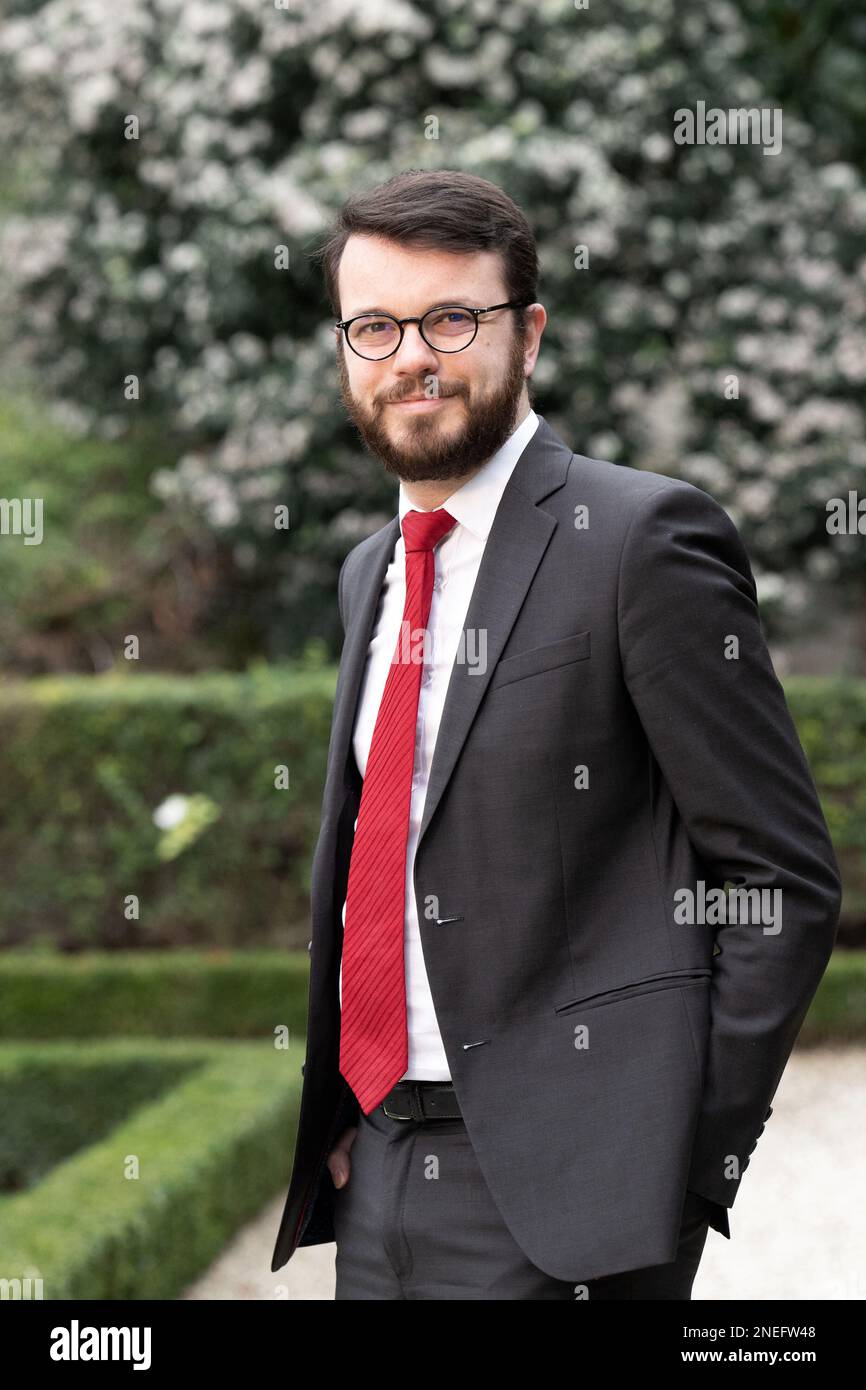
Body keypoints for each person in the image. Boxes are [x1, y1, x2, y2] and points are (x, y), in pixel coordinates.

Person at [270, 169, 842, 1299]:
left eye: (450, 318)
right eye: (374, 325)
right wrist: (346, 1122)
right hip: (375, 1169)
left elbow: (777, 880)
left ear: (526, 335)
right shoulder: (367, 575)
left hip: (571, 1202)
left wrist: (671, 1163)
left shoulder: (637, 539)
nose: (409, 356)